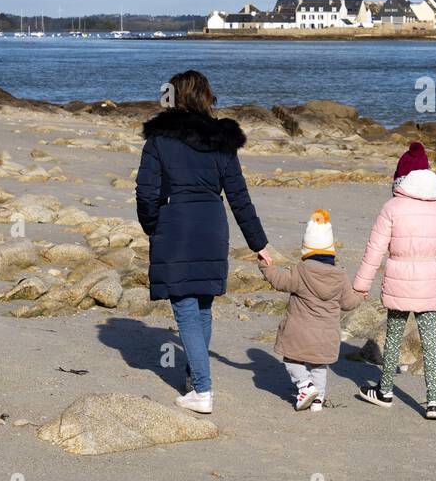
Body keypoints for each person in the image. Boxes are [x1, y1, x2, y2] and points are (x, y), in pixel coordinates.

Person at [135, 70, 271, 414]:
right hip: (212, 226)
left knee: (185, 309)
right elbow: (238, 195)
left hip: (176, 227)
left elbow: (145, 191)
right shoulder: (221, 140)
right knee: (203, 307)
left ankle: (203, 390)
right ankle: (196, 381)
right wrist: (259, 242)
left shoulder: (159, 140)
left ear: (174, 97)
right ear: (206, 97)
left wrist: (152, 225)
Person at [353, 142, 436, 420]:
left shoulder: (392, 207)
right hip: (429, 284)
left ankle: (385, 391)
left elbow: (374, 249)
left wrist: (362, 285)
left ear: (401, 179)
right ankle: (433, 401)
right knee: (429, 340)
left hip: (399, 281)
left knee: (393, 337)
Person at [258, 209, 363, 412]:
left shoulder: (300, 271)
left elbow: (280, 281)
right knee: (319, 366)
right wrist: (361, 296)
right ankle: (318, 400)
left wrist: (265, 268)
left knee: (291, 359)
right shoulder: (340, 277)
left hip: (299, 332)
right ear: (331, 251)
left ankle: (305, 385)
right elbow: (348, 303)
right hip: (326, 336)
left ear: (306, 250)